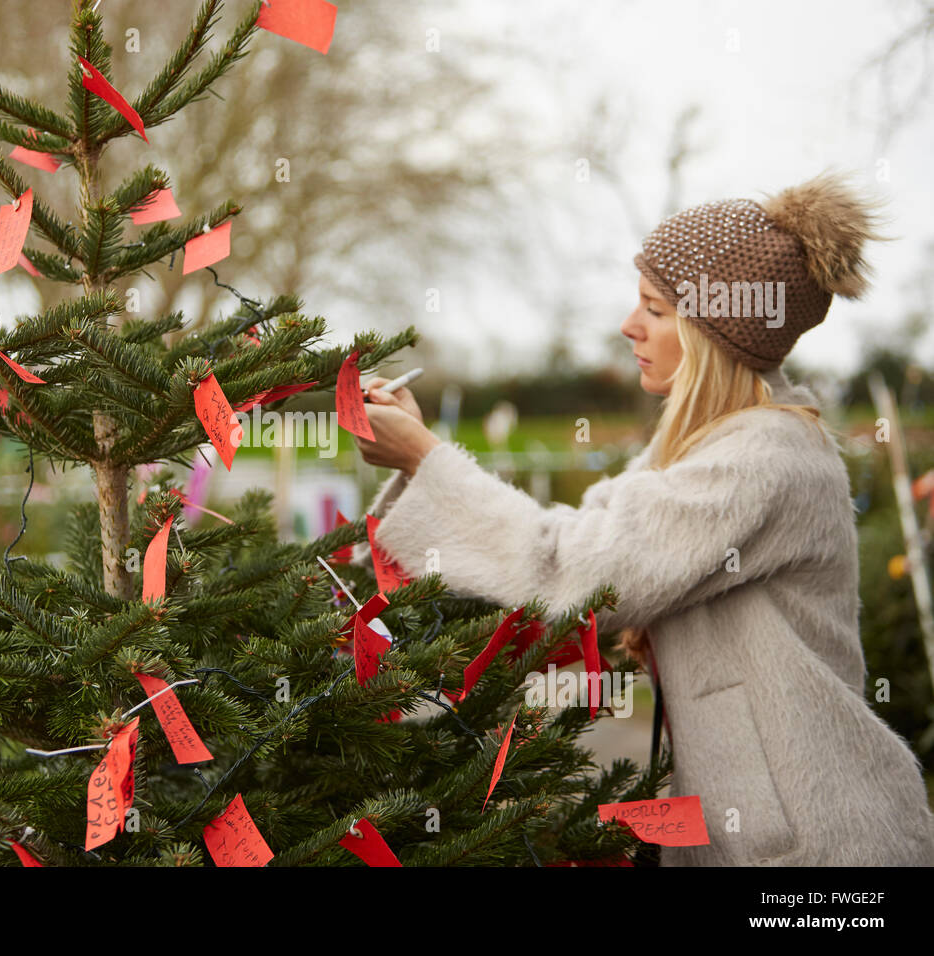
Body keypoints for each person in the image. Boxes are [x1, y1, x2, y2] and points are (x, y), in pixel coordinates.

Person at [351, 170, 934, 866]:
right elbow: (591, 528)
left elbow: (577, 568)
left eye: (655, 310)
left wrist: (426, 459)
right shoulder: (708, 445)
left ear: (714, 333)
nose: (629, 326)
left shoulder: (765, 456)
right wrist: (424, 461)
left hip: (818, 850)